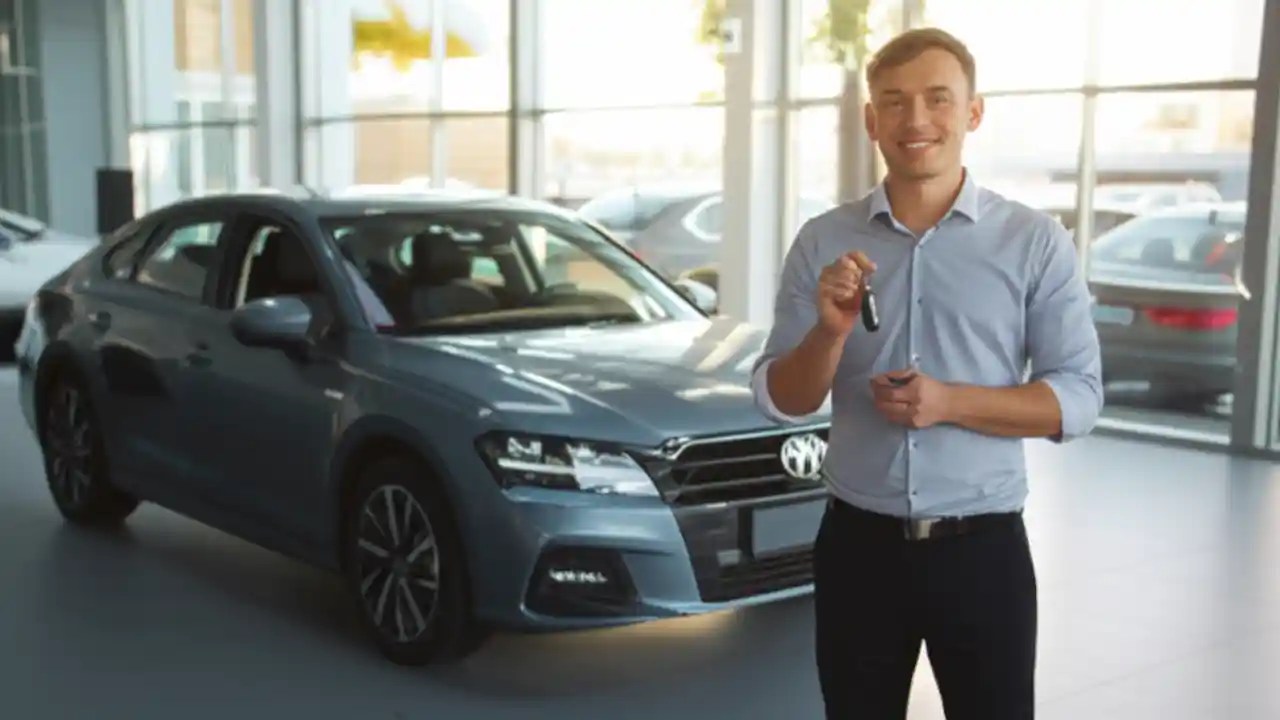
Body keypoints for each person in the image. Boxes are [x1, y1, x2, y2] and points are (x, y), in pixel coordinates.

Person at [750, 28, 1104, 720]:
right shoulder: (823, 240)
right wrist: (828, 332)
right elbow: (780, 399)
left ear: (973, 112)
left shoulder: (1033, 241)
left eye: (938, 99)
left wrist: (948, 402)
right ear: (870, 119)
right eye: (895, 101)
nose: (916, 120)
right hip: (857, 550)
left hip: (984, 554)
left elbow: (1080, 399)